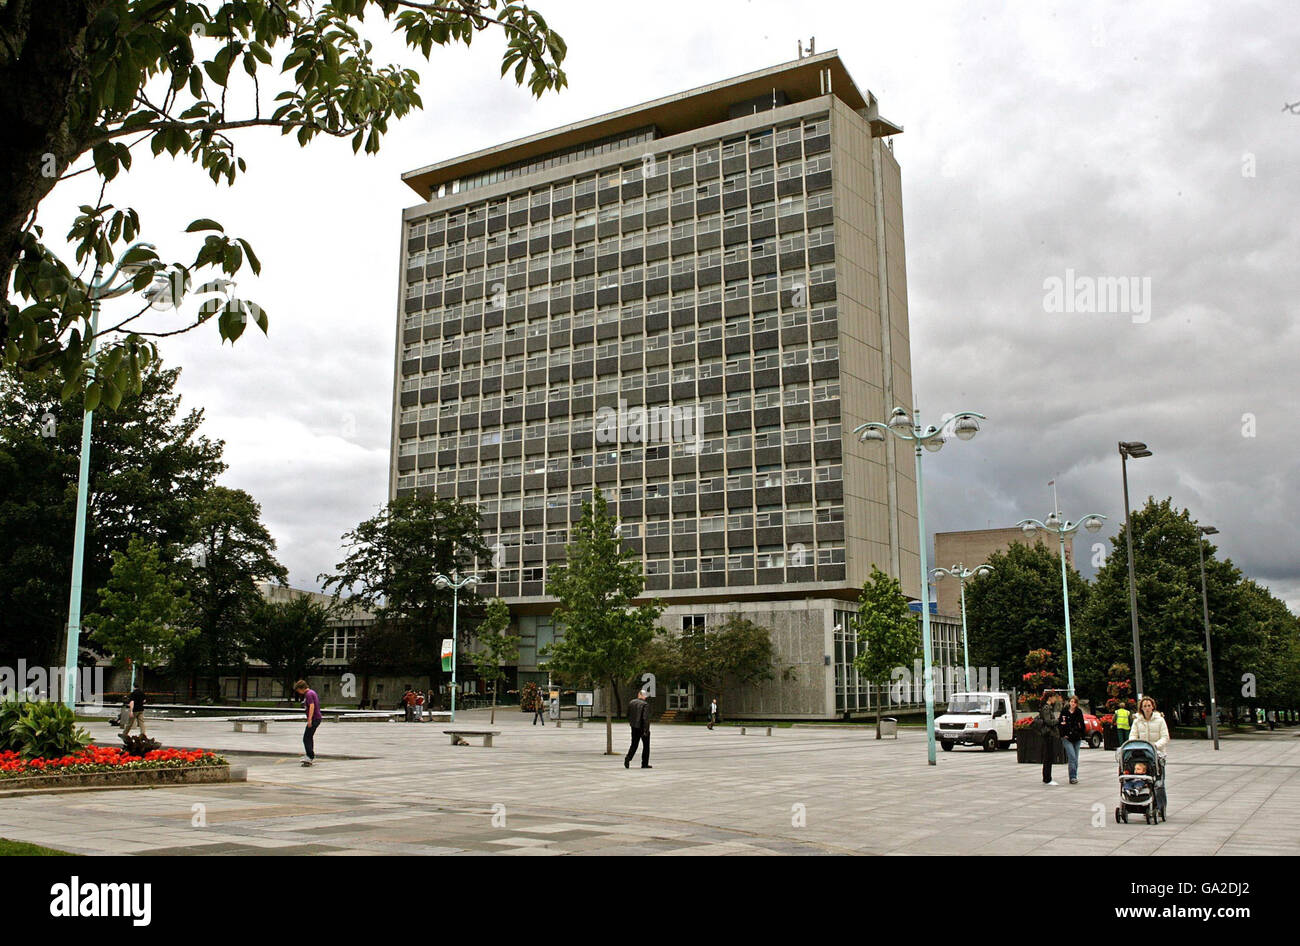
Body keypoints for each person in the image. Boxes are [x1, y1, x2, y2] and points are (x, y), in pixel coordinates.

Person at [1130, 695, 1171, 808]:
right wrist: (1136, 745)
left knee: (1159, 782)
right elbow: (1133, 735)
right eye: (1144, 706)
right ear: (1141, 708)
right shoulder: (1137, 721)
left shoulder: (1160, 720)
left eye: (1149, 706)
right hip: (1142, 754)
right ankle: (1143, 800)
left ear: (1152, 707)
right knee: (1142, 778)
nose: (1147, 708)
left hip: (1157, 754)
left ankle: (1161, 806)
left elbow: (1165, 737)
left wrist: (1155, 745)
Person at [1035, 691, 1063, 786]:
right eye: (1054, 697)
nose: (1055, 699)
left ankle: (1047, 777)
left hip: (1048, 734)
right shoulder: (1046, 708)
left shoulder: (1047, 707)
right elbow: (1048, 721)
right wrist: (1058, 721)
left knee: (1048, 756)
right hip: (1048, 734)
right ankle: (1047, 778)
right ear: (1050, 698)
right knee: (1048, 756)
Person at [295, 679, 323, 767]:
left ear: (301, 688)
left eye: (298, 690)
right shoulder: (312, 692)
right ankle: (310, 755)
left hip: (314, 718)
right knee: (309, 737)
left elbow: (312, 706)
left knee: (306, 738)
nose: (299, 692)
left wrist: (309, 719)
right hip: (317, 718)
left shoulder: (308, 694)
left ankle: (310, 756)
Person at [1058, 694, 1085, 784]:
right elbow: (1060, 723)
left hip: (1076, 737)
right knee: (1072, 757)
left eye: (1074, 702)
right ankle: (1072, 777)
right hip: (1067, 737)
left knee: (1075, 758)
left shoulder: (1078, 712)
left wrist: (1081, 734)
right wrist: (1063, 734)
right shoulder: (1064, 711)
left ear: (1077, 704)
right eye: (1071, 702)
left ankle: (1074, 775)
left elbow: (1082, 724)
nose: (1073, 703)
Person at [624, 689, 651, 769]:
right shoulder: (645, 704)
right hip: (642, 727)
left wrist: (632, 724)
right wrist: (646, 730)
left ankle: (628, 758)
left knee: (634, 744)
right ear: (642, 695)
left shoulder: (631, 702)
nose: (645, 697)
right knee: (646, 746)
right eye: (645, 696)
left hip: (634, 727)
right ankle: (644, 764)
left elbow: (628, 715)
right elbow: (645, 718)